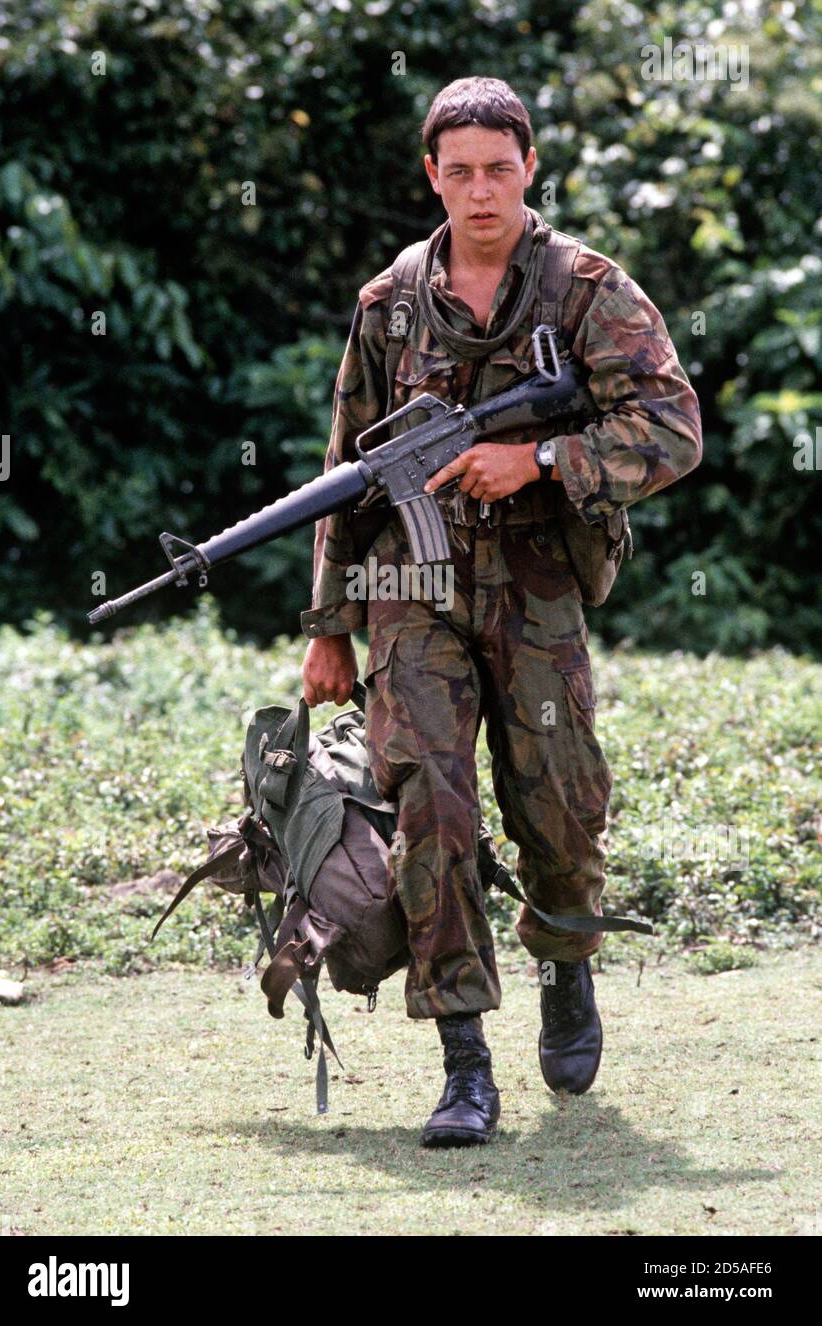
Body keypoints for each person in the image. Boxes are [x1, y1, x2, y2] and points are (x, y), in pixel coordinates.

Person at [300, 76, 702, 1147]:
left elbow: (670, 428)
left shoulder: (588, 289)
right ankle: (462, 1062)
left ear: (529, 167)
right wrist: (327, 625)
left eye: (500, 168)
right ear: (431, 175)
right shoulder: (388, 303)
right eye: (459, 171)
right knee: (429, 801)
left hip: (535, 584)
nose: (481, 191)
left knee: (559, 805)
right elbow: (347, 466)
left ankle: (566, 960)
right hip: (410, 592)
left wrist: (538, 460)